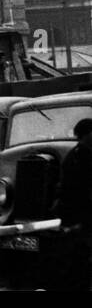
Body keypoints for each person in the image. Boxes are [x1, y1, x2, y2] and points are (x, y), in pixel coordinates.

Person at [53, 117, 92, 291]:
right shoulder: (82, 156)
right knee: (80, 260)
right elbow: (76, 189)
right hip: (81, 217)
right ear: (87, 135)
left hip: (76, 216)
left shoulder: (74, 155)